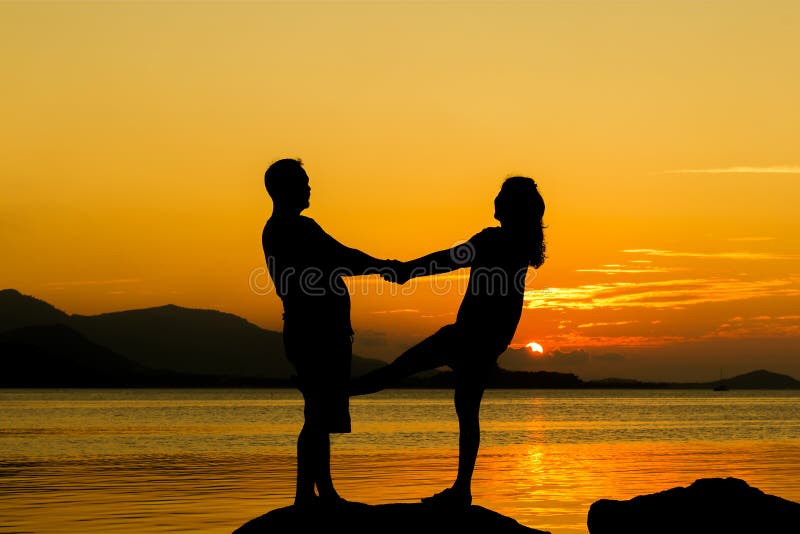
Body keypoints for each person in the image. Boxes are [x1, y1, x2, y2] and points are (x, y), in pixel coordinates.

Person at [350, 176, 546, 508]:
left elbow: (448, 259)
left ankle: (335, 391)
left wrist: (405, 271)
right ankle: (462, 490)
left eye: (501, 195)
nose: (494, 199)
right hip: (489, 341)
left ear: (510, 206)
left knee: (398, 371)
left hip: (467, 336)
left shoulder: (495, 240)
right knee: (467, 412)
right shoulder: (518, 244)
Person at [262, 158, 396, 507]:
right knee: (318, 414)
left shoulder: (279, 228)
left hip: (315, 332)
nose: (309, 187)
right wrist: (386, 267)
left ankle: (318, 492)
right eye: (304, 182)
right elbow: (342, 257)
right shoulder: (296, 228)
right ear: (285, 188)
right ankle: (310, 495)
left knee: (318, 414)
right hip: (316, 334)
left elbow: (338, 259)